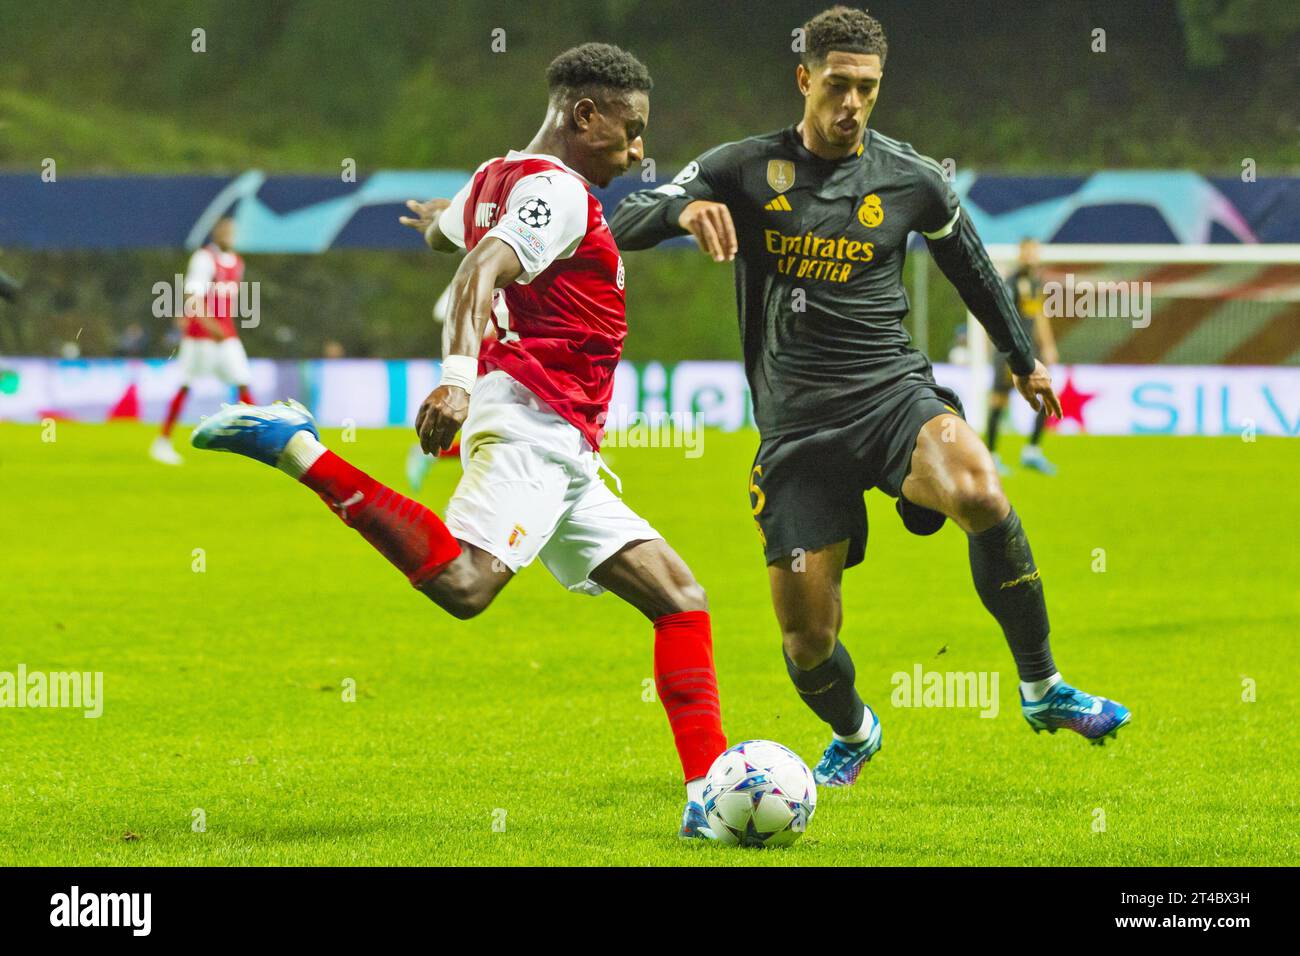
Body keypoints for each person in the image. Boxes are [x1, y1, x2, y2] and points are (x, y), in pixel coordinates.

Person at [191, 43, 726, 838]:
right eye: (632, 128)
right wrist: (455, 376)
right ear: (586, 115)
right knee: (468, 586)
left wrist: (438, 221)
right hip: (531, 416)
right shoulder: (561, 193)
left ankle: (709, 799)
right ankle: (297, 447)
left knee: (679, 598)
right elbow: (482, 262)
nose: (639, 149)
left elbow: (457, 234)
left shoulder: (492, 178)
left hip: (564, 438)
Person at [611, 6, 1129, 788]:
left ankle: (1042, 687)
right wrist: (682, 208)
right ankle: (855, 732)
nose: (852, 104)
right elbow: (623, 218)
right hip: (795, 428)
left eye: (868, 89)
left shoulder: (912, 178)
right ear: (804, 79)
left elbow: (975, 269)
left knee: (982, 493)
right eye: (838, 86)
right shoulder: (742, 169)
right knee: (807, 642)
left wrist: (1024, 362)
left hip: (892, 394)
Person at [151, 216, 254, 465]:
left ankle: (255, 443)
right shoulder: (204, 258)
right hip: (200, 337)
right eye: (223, 230)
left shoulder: (237, 262)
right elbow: (193, 296)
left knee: (243, 383)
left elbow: (224, 300)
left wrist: (221, 327)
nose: (228, 234)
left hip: (225, 335)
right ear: (215, 233)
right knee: (185, 385)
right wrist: (209, 324)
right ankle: (162, 442)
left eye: (231, 230)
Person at [988, 238, 1059, 475]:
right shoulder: (1012, 281)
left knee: (1045, 393)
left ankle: (1032, 452)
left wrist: (1048, 345)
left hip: (1031, 349)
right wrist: (1005, 349)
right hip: (1010, 350)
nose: (1032, 256)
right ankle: (991, 456)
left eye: (1035, 252)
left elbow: (1039, 315)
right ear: (1020, 254)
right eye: (1028, 252)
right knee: (999, 400)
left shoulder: (1035, 282)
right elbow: (1000, 316)